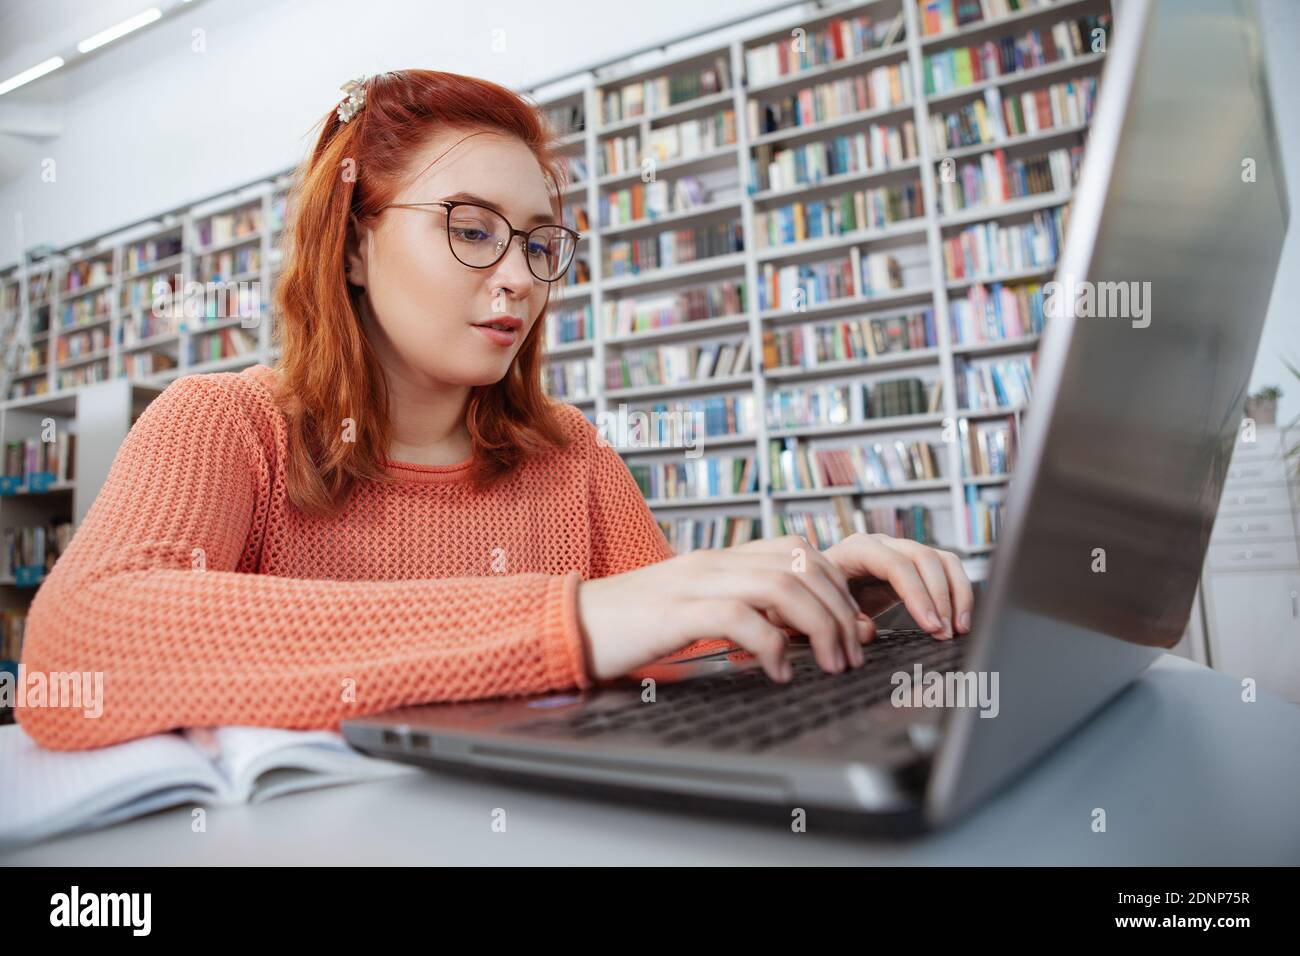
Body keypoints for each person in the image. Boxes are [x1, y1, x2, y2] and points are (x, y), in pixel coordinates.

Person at [16, 70, 972, 751]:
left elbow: (672, 640)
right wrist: (566, 618)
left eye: (540, 244)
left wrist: (809, 600)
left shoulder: (571, 456)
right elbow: (77, 645)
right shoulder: (224, 424)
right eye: (472, 231)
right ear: (352, 247)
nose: (519, 278)